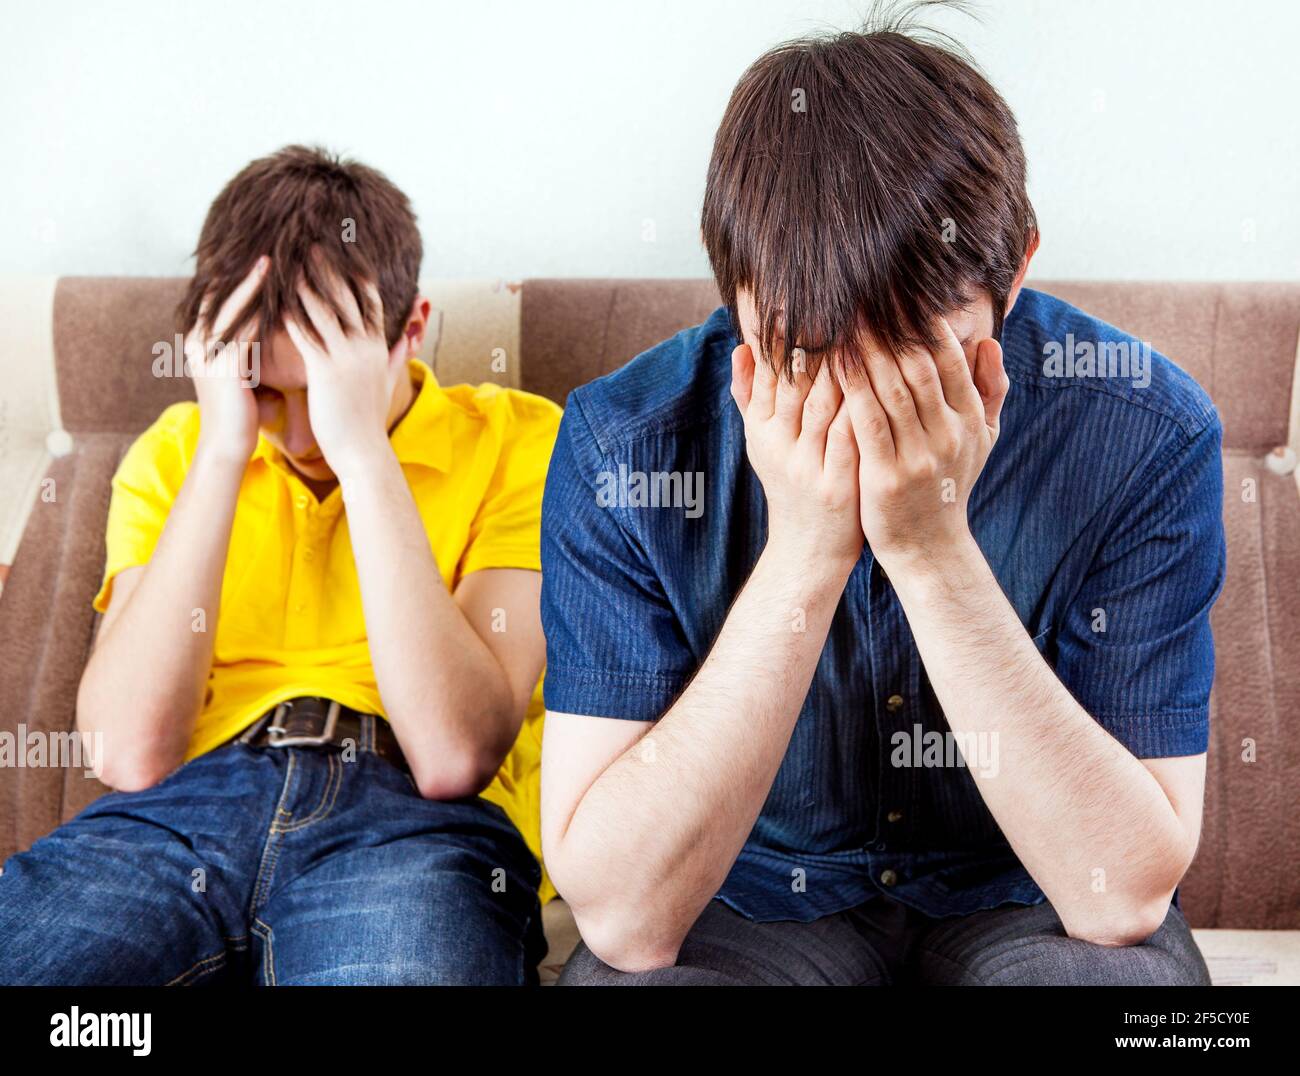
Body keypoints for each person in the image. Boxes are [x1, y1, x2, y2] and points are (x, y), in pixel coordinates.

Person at [540, 14, 1223, 985]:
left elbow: (1117, 897)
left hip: (1030, 896)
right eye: (807, 350)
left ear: (1015, 269)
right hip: (747, 901)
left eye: (908, 353)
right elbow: (623, 919)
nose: (861, 402)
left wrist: (931, 547)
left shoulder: (1148, 430)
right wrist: (806, 551)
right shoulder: (624, 441)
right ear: (730, 289)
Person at [0, 146, 560, 985]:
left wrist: (363, 453)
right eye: (267, 393)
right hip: (182, 808)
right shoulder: (178, 455)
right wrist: (224, 447)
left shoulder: (521, 439)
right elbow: (126, 754)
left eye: (326, 389)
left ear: (413, 331)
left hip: (412, 818)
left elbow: (455, 754)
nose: (299, 435)